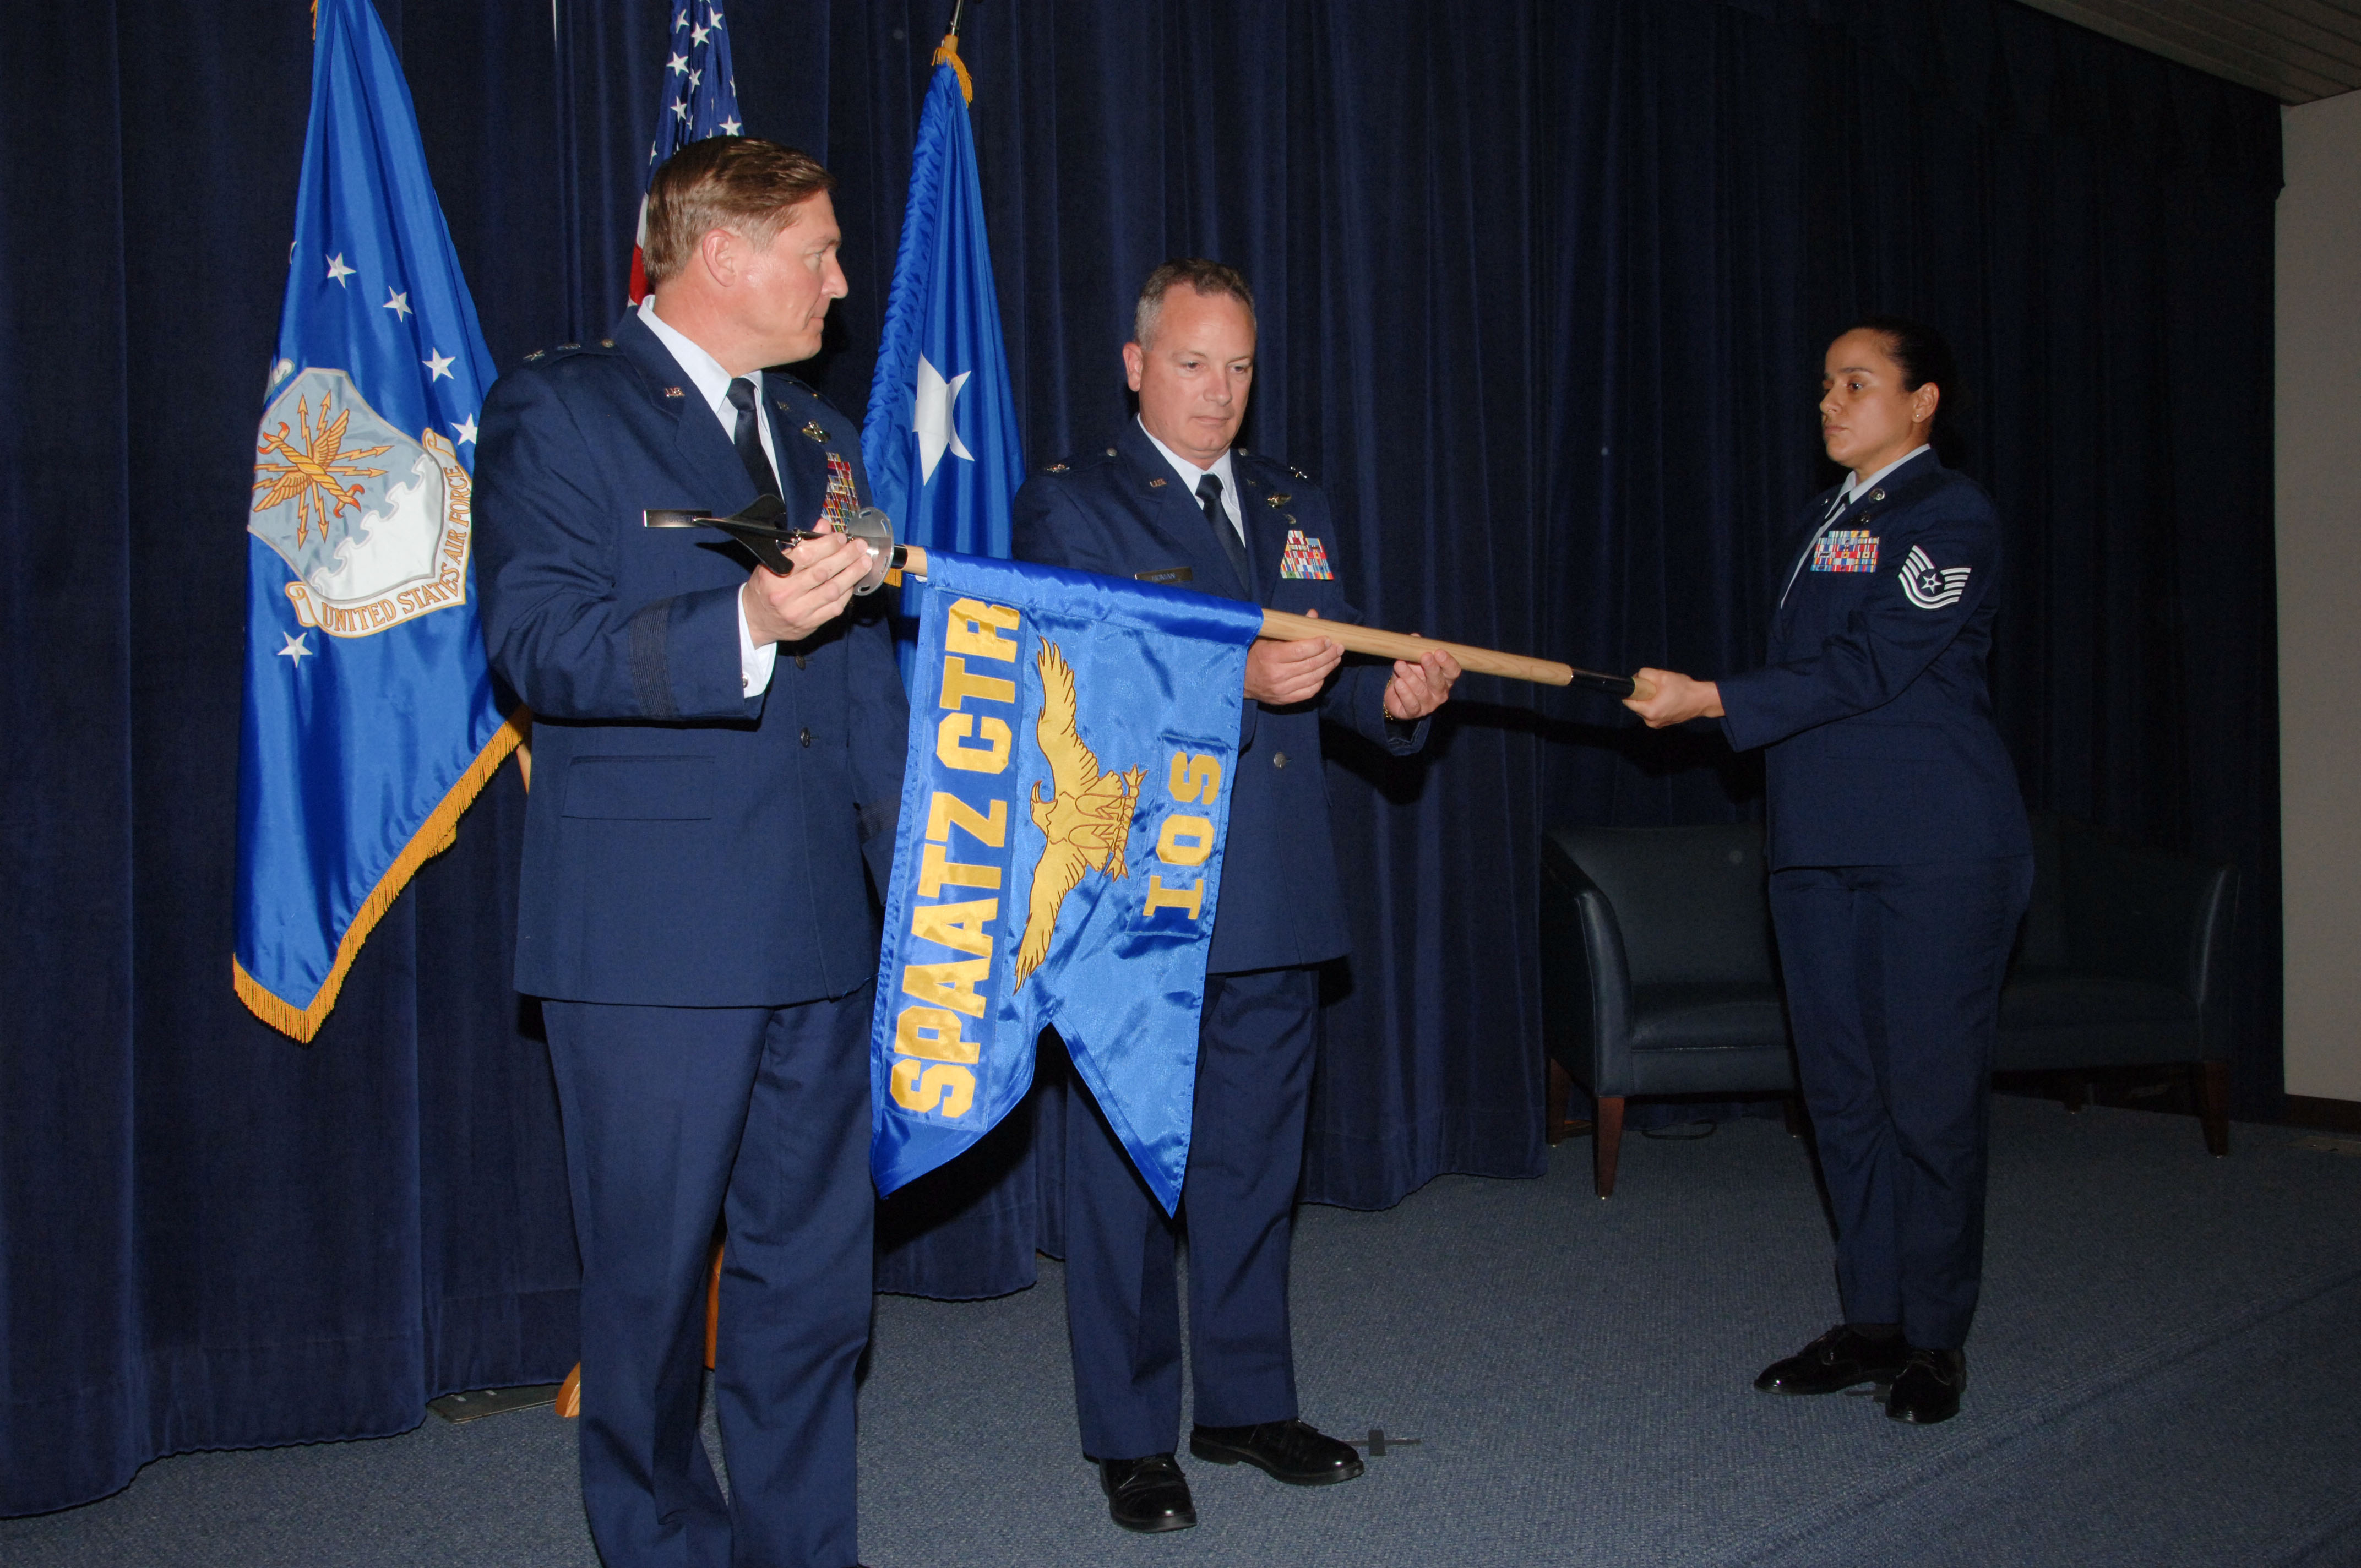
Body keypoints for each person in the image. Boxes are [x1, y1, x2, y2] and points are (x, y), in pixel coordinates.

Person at [474, 137, 905, 1568]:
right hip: (650, 945)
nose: (840, 283)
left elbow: (862, 687)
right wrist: (745, 626)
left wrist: (912, 877)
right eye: (819, 252)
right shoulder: (562, 406)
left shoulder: (824, 438)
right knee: (652, 1298)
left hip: (817, 927)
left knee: (813, 1294)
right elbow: (538, 640)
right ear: (722, 254)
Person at [1011, 259, 1462, 1533]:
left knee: (1254, 1163)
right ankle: (1130, 1434)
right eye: (1192, 363)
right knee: (1123, 1177)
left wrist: (1394, 697)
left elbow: (1334, 653)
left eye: (1239, 367)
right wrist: (1235, 681)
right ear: (1135, 364)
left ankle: (1246, 1400)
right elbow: (1080, 679)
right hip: (1135, 893)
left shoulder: (1288, 500)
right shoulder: (1071, 502)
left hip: (1270, 885)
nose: (1218, 393)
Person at [1624, 316, 2032, 1426]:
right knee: (1841, 1096)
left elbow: (1869, 664)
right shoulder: (1826, 520)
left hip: (1934, 851)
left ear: (1922, 401)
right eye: (1824, 384)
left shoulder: (1951, 516)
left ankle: (1934, 1338)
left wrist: (1712, 698)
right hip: (1815, 846)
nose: (1829, 401)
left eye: (1857, 383)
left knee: (1927, 1101)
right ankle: (1873, 1319)